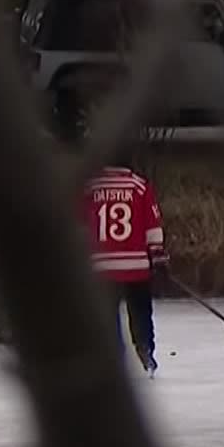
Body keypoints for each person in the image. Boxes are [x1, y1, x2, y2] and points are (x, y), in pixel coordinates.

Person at [82, 158, 167, 376]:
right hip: (136, 264)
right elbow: (152, 227)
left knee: (108, 314)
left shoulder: (91, 188)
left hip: (102, 267)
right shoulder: (139, 186)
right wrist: (157, 256)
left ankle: (114, 356)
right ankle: (145, 348)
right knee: (140, 310)